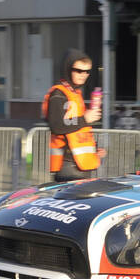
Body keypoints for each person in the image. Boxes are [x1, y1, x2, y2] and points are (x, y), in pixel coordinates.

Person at [43, 49, 105, 182]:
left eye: (87, 71)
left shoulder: (75, 94)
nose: (83, 75)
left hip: (80, 163)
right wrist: (85, 119)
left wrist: (94, 149)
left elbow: (75, 130)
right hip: (67, 165)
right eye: (78, 70)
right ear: (68, 69)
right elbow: (57, 127)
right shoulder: (58, 94)